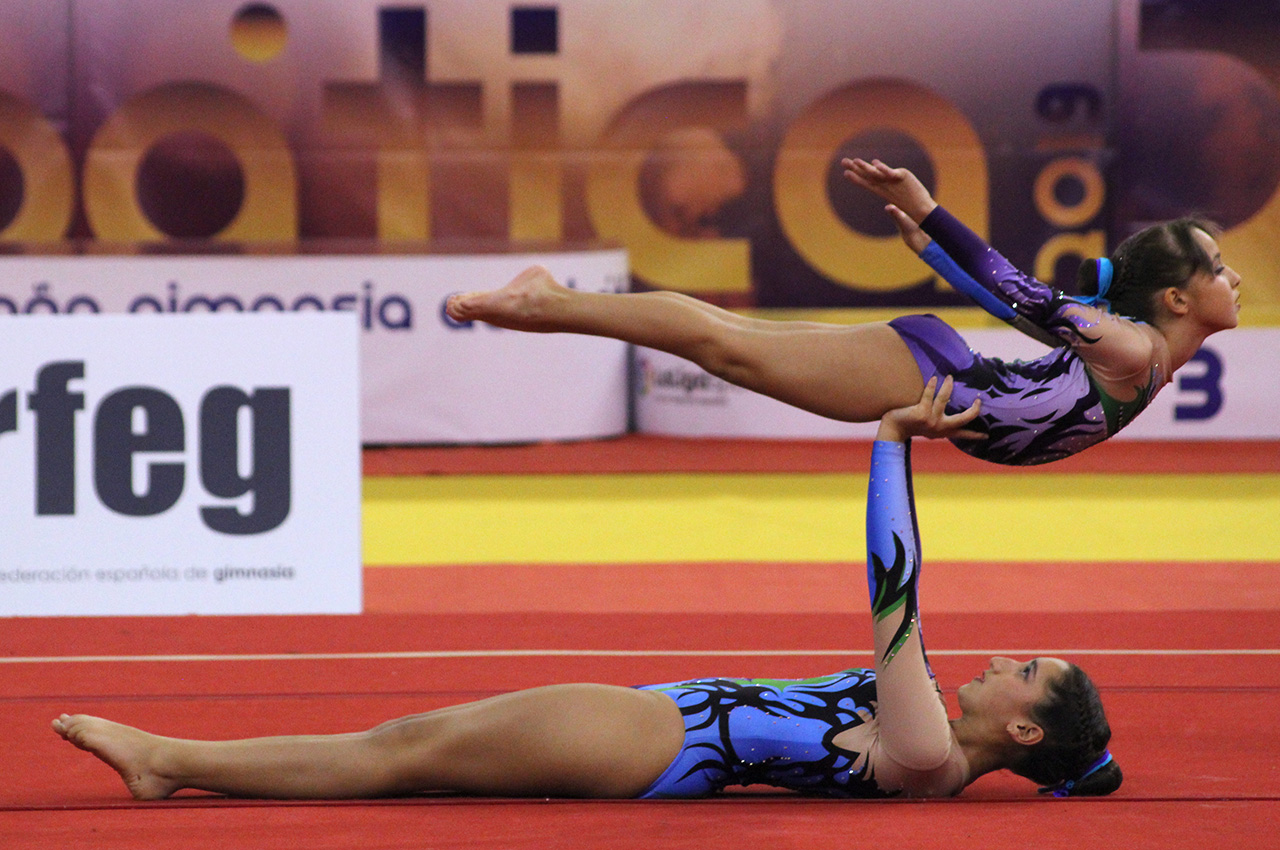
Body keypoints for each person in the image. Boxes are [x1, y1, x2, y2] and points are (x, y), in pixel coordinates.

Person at [52, 378, 1122, 800]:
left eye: (1022, 672)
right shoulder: (932, 746)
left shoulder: (929, 743)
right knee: (408, 746)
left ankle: (168, 761)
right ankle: (174, 760)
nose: (1000, 659)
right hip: (666, 728)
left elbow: (895, 593)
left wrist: (888, 444)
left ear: (1023, 733)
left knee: (403, 751)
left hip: (664, 739)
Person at [446, 158, 1241, 465]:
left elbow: (1019, 311)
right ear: (1175, 298)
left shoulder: (1136, 352)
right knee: (727, 347)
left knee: (731, 347)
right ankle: (546, 301)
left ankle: (549, 302)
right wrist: (929, 211)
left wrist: (930, 253)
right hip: (932, 376)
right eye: (1217, 268)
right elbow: (1023, 291)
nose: (1233, 278)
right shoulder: (1133, 351)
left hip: (943, 377)